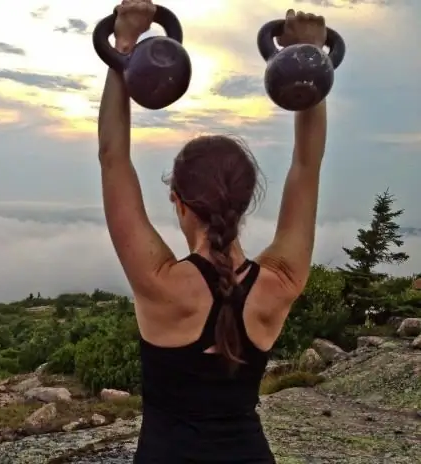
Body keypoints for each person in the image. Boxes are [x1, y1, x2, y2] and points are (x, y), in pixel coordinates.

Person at [97, 2, 329, 463]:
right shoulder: (279, 283)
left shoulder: (161, 284)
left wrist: (124, 48)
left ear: (177, 200)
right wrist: (309, 63)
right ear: (243, 204)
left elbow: (113, 157)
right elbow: (306, 167)